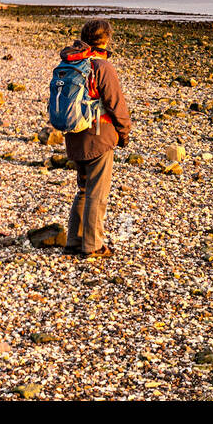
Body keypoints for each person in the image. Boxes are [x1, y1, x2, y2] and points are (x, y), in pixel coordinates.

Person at [61, 19, 131, 259]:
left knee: (82, 189)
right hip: (98, 136)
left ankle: (74, 240)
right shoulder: (102, 67)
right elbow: (116, 105)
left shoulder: (70, 63)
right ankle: (93, 245)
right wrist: (124, 132)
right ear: (106, 39)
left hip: (74, 136)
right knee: (97, 193)